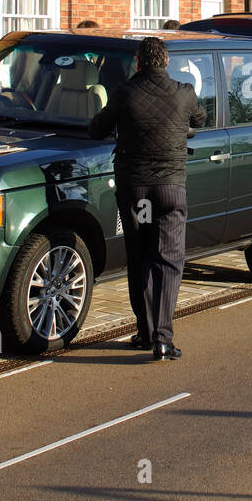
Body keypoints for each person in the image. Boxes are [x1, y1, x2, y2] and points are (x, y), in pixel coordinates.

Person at [90, 37, 206, 360]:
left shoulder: (124, 93)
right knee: (168, 261)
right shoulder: (184, 93)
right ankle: (163, 339)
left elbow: (97, 129)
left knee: (139, 257)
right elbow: (200, 119)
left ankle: (144, 331)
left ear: (138, 63)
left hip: (136, 193)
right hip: (171, 191)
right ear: (166, 62)